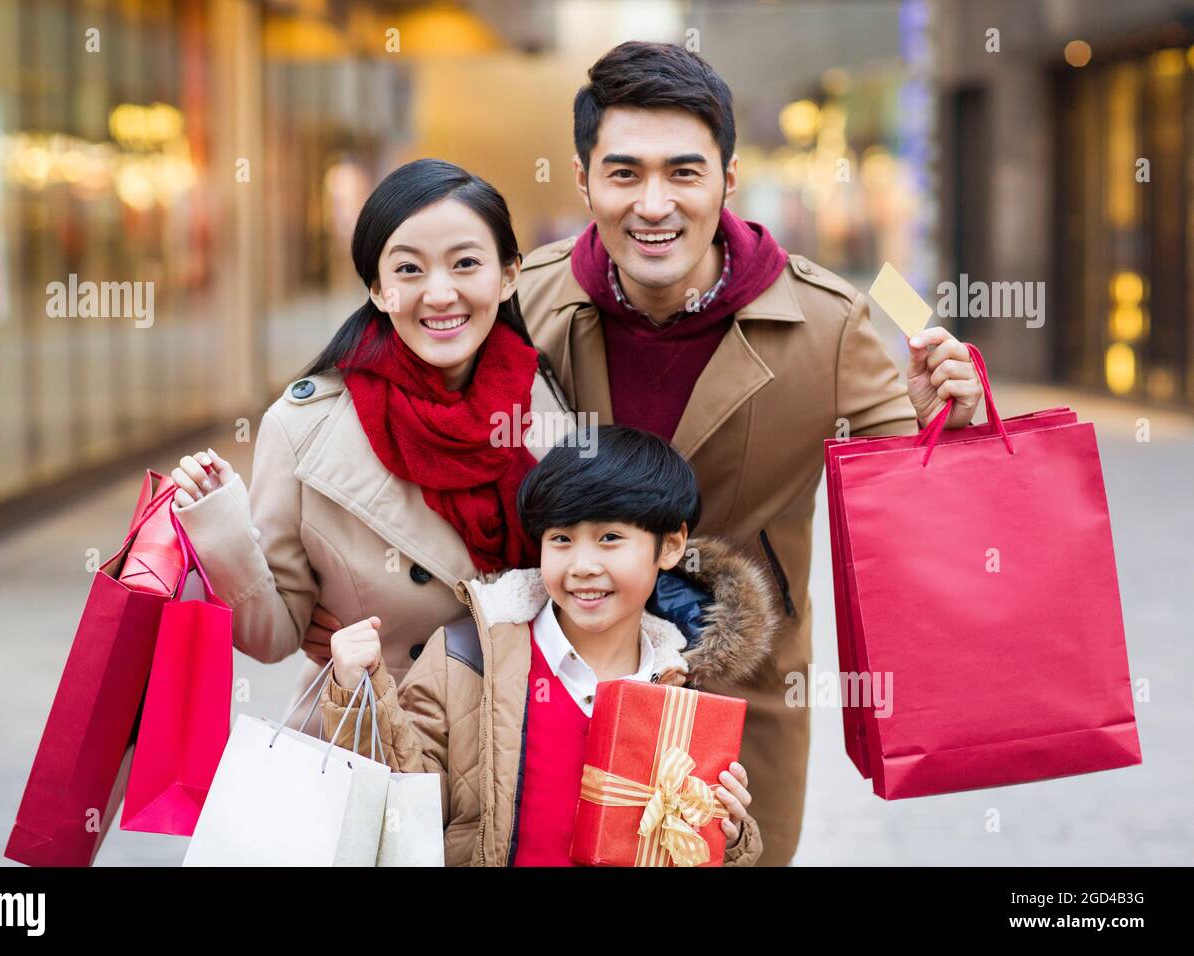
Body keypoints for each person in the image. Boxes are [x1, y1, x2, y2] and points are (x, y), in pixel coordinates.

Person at [513, 41, 985, 865]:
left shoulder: (829, 323)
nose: (653, 203)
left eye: (683, 173)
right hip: (547, 680)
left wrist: (954, 423)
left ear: (728, 181)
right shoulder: (525, 304)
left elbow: (925, 514)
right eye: (624, 173)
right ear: (583, 180)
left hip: (745, 692)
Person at [167, 159, 575, 722]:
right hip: (374, 743)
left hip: (522, 741)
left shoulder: (551, 405)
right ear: (379, 290)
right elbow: (275, 636)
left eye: (465, 264)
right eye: (409, 270)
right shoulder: (305, 428)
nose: (439, 293)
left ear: (508, 276)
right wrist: (220, 530)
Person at [323, 425, 787, 866]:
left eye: (609, 538)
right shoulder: (468, 658)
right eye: (561, 539)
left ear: (670, 545)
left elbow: (682, 844)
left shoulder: (684, 690)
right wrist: (356, 693)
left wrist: (729, 835)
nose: (583, 565)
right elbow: (400, 801)